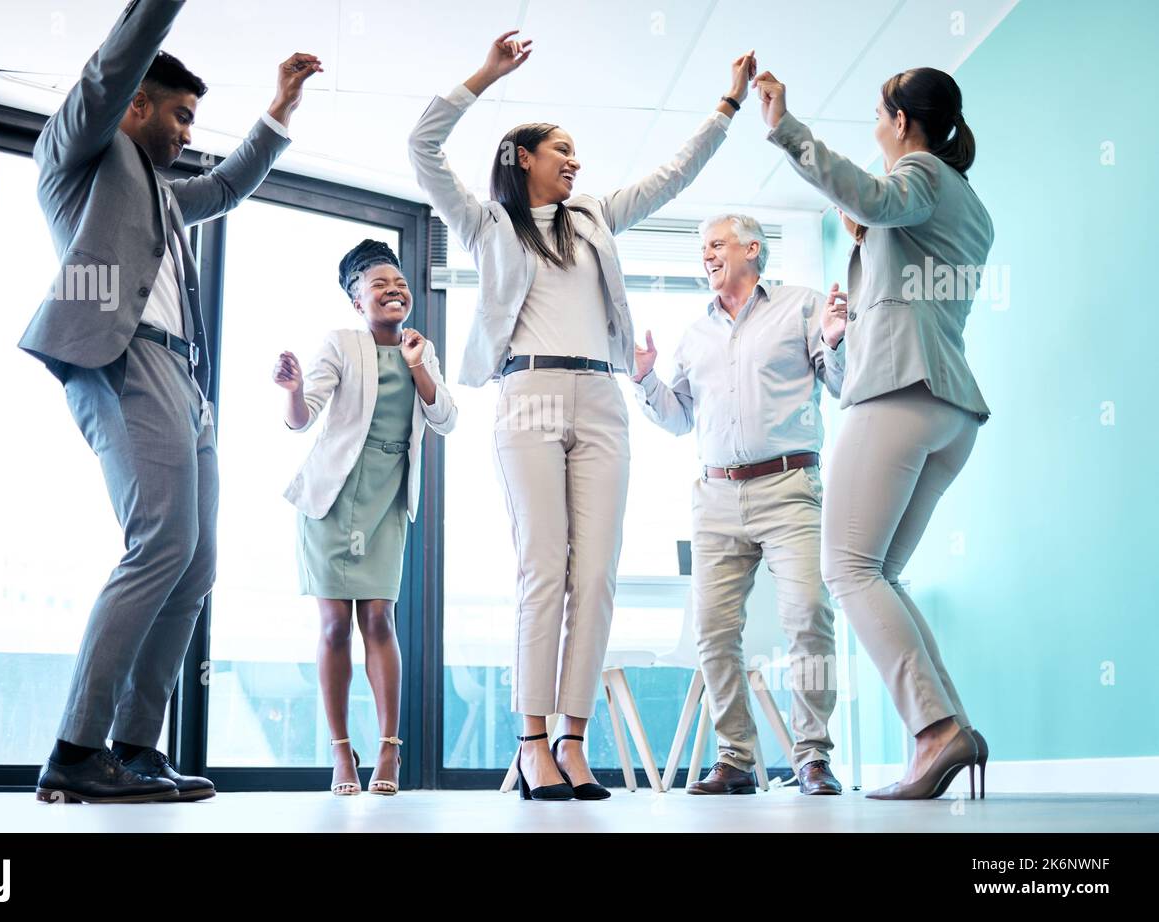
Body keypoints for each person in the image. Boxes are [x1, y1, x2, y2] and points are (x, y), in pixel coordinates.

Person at [409, 30, 754, 801]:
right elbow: (422, 147)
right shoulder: (485, 223)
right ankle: (531, 741)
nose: (574, 161)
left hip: (602, 397)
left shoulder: (595, 216)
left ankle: (573, 738)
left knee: (594, 578)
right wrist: (485, 76)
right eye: (559, 150)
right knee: (544, 570)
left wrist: (727, 106)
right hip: (526, 396)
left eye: (575, 152)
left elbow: (671, 176)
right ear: (521, 158)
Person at [22, 0, 321, 803]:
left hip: (186, 382)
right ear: (138, 105)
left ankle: (133, 746)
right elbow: (113, 64)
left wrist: (280, 110)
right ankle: (76, 750)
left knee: (194, 563)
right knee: (159, 543)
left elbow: (224, 187)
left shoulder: (162, 195)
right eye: (182, 115)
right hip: (123, 363)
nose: (189, 133)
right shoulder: (81, 155)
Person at [755, 64, 993, 799]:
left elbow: (880, 192)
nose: (874, 129)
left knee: (847, 570)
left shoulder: (917, 170)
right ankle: (950, 729)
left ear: (899, 122)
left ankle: (934, 732)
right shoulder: (969, 202)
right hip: (948, 410)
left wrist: (784, 128)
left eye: (877, 116)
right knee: (877, 572)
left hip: (897, 395)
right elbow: (905, 250)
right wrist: (864, 245)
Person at [632, 213, 847, 795]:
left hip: (788, 488)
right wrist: (646, 381)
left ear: (753, 248)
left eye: (716, 244)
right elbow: (678, 418)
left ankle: (812, 756)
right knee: (712, 630)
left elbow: (841, 384)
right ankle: (735, 760)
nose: (706, 255)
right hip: (716, 495)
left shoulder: (800, 306)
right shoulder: (694, 334)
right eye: (702, 248)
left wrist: (833, 340)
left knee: (807, 615)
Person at [276, 241, 456, 796]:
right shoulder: (343, 343)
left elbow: (445, 418)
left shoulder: (419, 349)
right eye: (379, 285)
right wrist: (294, 391)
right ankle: (340, 755)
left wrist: (418, 363)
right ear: (358, 301)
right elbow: (302, 419)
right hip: (332, 499)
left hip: (387, 502)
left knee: (379, 620)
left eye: (399, 284)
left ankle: (387, 751)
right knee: (334, 625)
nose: (393, 290)